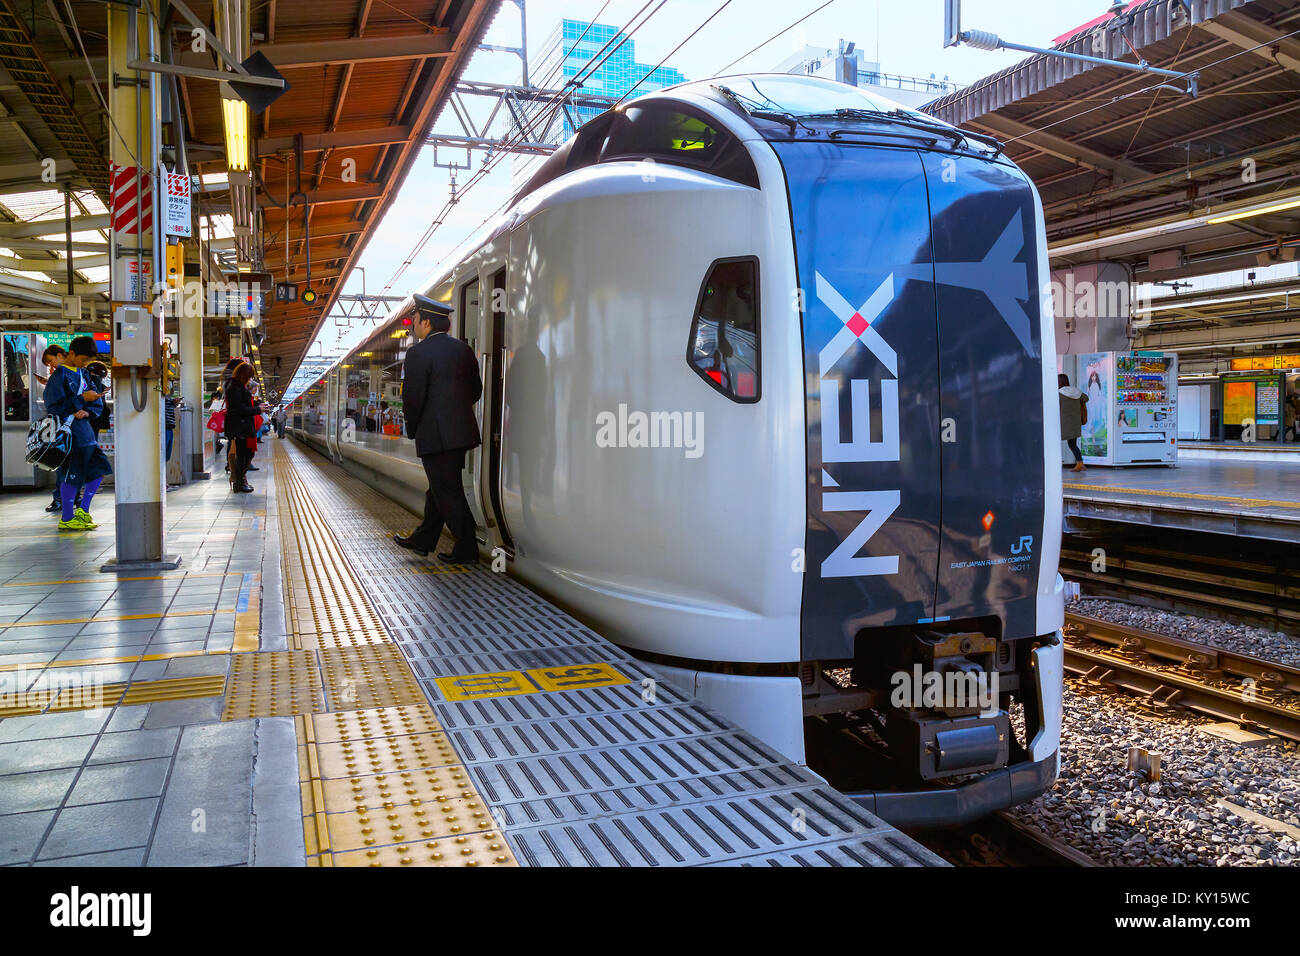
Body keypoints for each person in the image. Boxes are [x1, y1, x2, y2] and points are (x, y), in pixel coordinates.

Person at [394, 294, 483, 563]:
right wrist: (455, 413)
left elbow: (413, 398)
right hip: (461, 433)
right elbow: (476, 390)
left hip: (435, 435)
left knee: (447, 491)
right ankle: (423, 539)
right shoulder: (463, 350)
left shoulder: (418, 353)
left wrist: (413, 427)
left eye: (416, 320)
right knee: (439, 489)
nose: (414, 326)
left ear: (427, 324)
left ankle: (467, 548)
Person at [41, 336, 111, 530]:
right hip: (69, 433)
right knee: (72, 474)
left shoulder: (83, 373)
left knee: (99, 468)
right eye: (83, 359)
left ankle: (83, 511)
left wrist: (88, 410)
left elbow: (95, 401)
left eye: (88, 360)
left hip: (86, 431)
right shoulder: (59, 376)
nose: (85, 363)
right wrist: (80, 400)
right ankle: (67, 517)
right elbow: (53, 406)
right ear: (71, 353)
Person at [40, 345, 68, 514]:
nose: (51, 366)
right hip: (67, 426)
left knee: (63, 464)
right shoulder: (71, 374)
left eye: (51, 361)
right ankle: (70, 497)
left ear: (60, 355)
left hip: (62, 426)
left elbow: (54, 405)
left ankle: (60, 498)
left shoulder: (61, 375)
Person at [223, 362, 256, 493]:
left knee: (246, 453)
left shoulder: (237, 386)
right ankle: (239, 482)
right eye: (250, 376)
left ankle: (240, 481)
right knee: (244, 454)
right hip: (239, 427)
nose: (251, 379)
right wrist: (257, 409)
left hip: (240, 426)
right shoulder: (235, 388)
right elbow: (240, 408)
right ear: (245, 375)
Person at [1059, 373, 1088, 472]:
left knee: (1054, 443)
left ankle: (1079, 464)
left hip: (1063, 424)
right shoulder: (1076, 392)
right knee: (1072, 444)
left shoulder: (1059, 393)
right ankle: (1080, 463)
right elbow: (1086, 398)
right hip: (1075, 423)